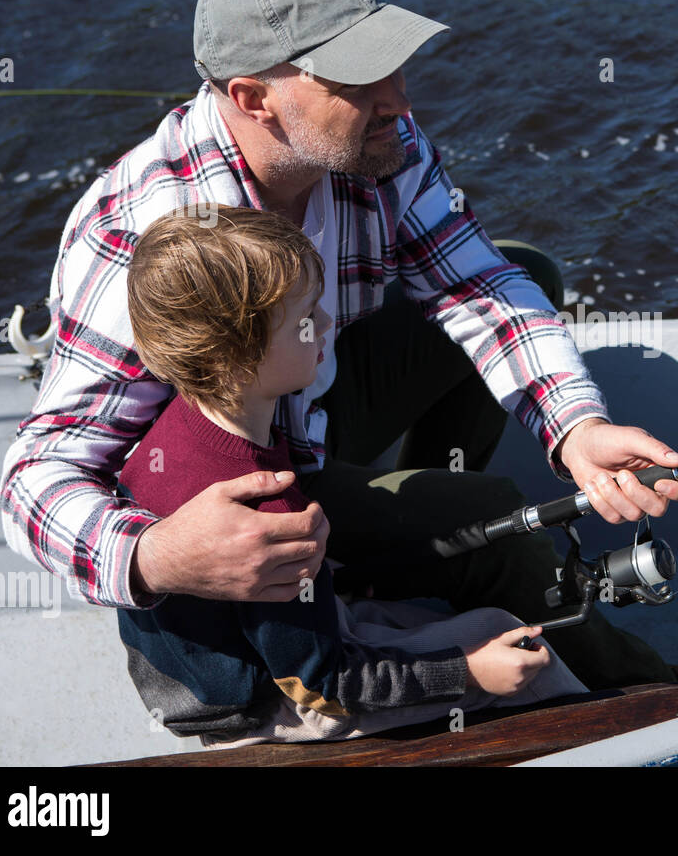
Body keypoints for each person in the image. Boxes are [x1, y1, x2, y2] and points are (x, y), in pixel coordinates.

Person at [0, 0, 678, 692]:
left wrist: (576, 429)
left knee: (524, 272)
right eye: (356, 78)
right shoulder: (144, 236)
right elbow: (38, 475)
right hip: (245, 472)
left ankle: (393, 561)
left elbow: (477, 289)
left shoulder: (378, 142)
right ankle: (647, 697)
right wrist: (158, 555)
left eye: (392, 61)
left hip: (310, 403)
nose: (399, 98)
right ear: (251, 98)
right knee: (490, 523)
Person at [117, 205, 585, 746]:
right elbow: (322, 686)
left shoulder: (167, 433)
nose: (328, 322)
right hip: (268, 707)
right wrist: (468, 674)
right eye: (306, 318)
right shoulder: (269, 519)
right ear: (237, 353)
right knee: (504, 639)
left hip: (198, 683)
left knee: (425, 618)